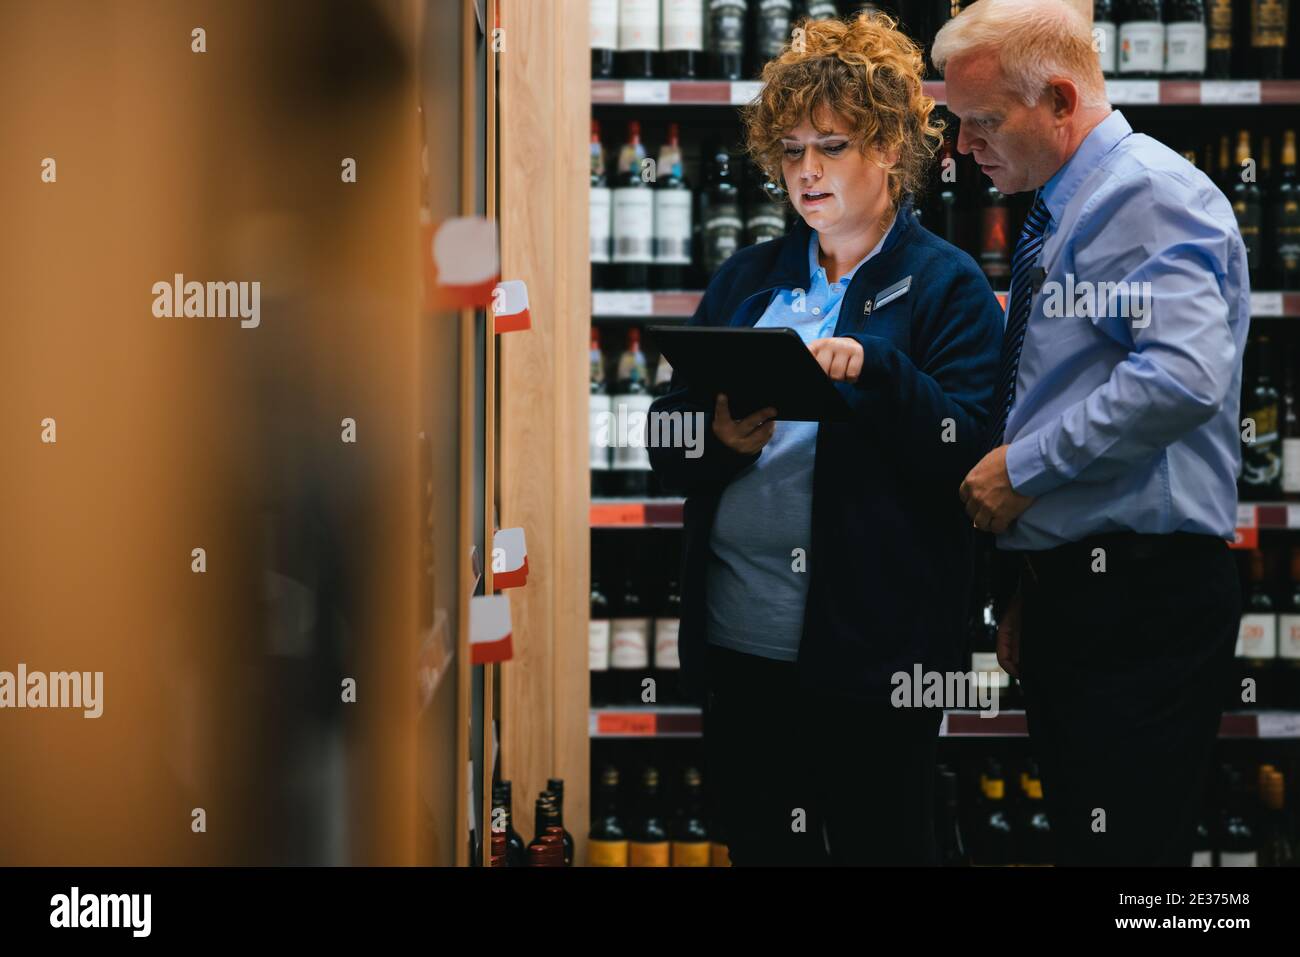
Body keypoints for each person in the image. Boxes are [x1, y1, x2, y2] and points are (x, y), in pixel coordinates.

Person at [647, 12, 1002, 866]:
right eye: (792, 149)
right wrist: (716, 438)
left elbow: (970, 453)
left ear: (888, 148)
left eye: (832, 147)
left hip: (879, 660)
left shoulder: (945, 285)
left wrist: (876, 370)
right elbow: (664, 434)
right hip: (741, 650)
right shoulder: (747, 278)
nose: (806, 171)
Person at [939, 0, 1249, 866]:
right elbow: (1075, 380)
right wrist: (1035, 576)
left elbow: (1183, 376)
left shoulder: (1141, 193)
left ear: (1062, 100)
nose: (964, 148)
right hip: (1091, 590)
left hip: (1139, 602)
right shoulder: (1074, 200)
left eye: (983, 122)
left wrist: (1023, 473)